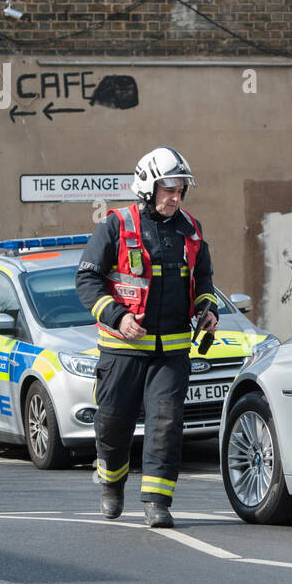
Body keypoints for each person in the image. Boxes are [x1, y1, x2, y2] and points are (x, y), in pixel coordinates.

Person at [75, 146, 220, 528]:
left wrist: (208, 309)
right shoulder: (116, 225)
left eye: (180, 191)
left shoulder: (191, 229)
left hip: (171, 353)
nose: (175, 198)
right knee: (112, 423)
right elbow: (87, 278)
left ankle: (157, 501)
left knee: (166, 423)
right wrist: (117, 317)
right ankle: (111, 485)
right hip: (121, 349)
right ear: (147, 187)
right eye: (168, 190)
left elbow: (203, 280)